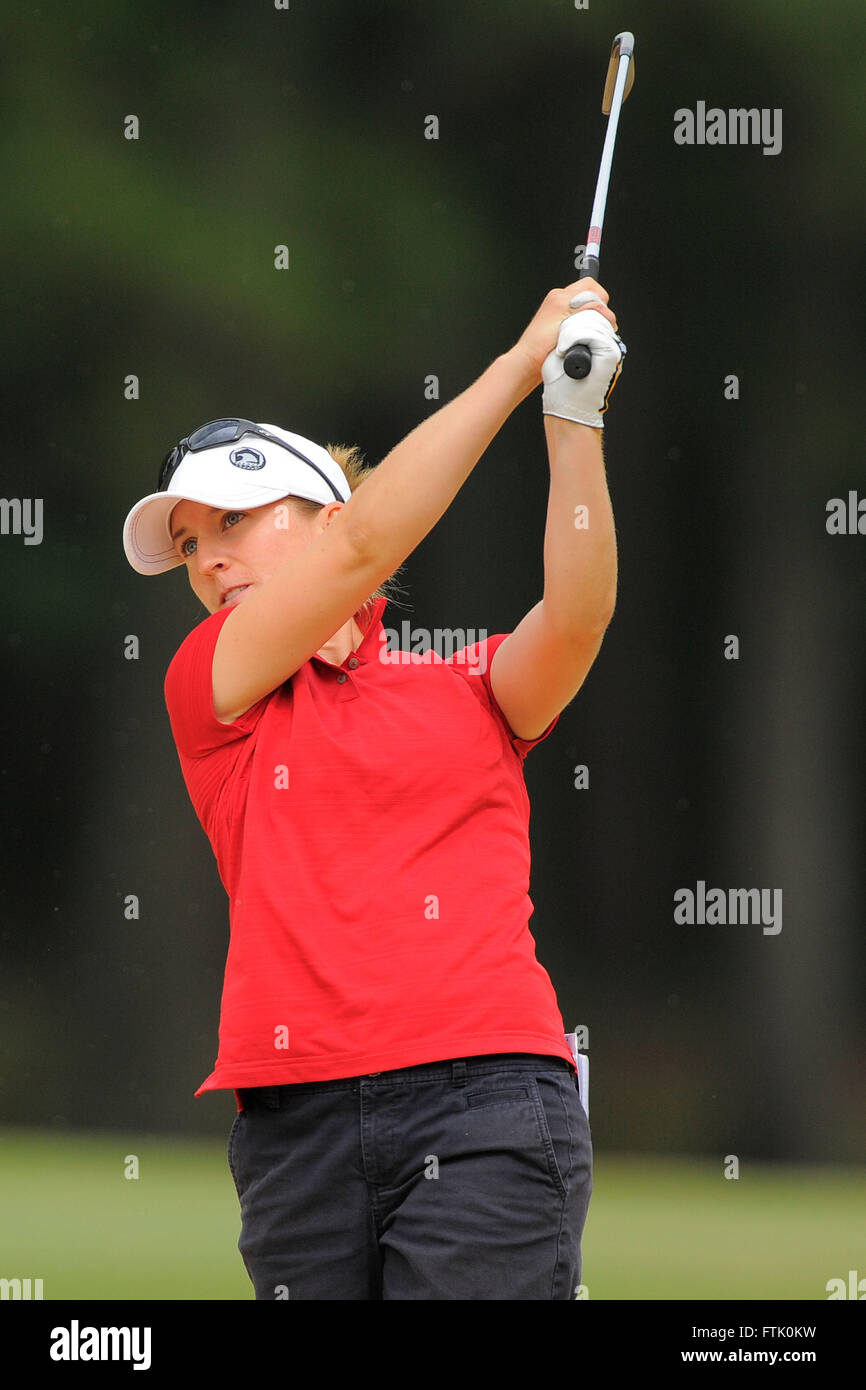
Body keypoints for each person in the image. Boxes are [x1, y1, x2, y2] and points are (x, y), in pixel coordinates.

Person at [122, 278, 624, 1300]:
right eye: (187, 547)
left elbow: (573, 622)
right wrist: (516, 359)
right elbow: (365, 547)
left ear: (324, 511)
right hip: (295, 1127)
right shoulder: (212, 687)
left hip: (485, 1098)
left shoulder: (468, 680)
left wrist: (570, 416)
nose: (209, 561)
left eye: (233, 521)